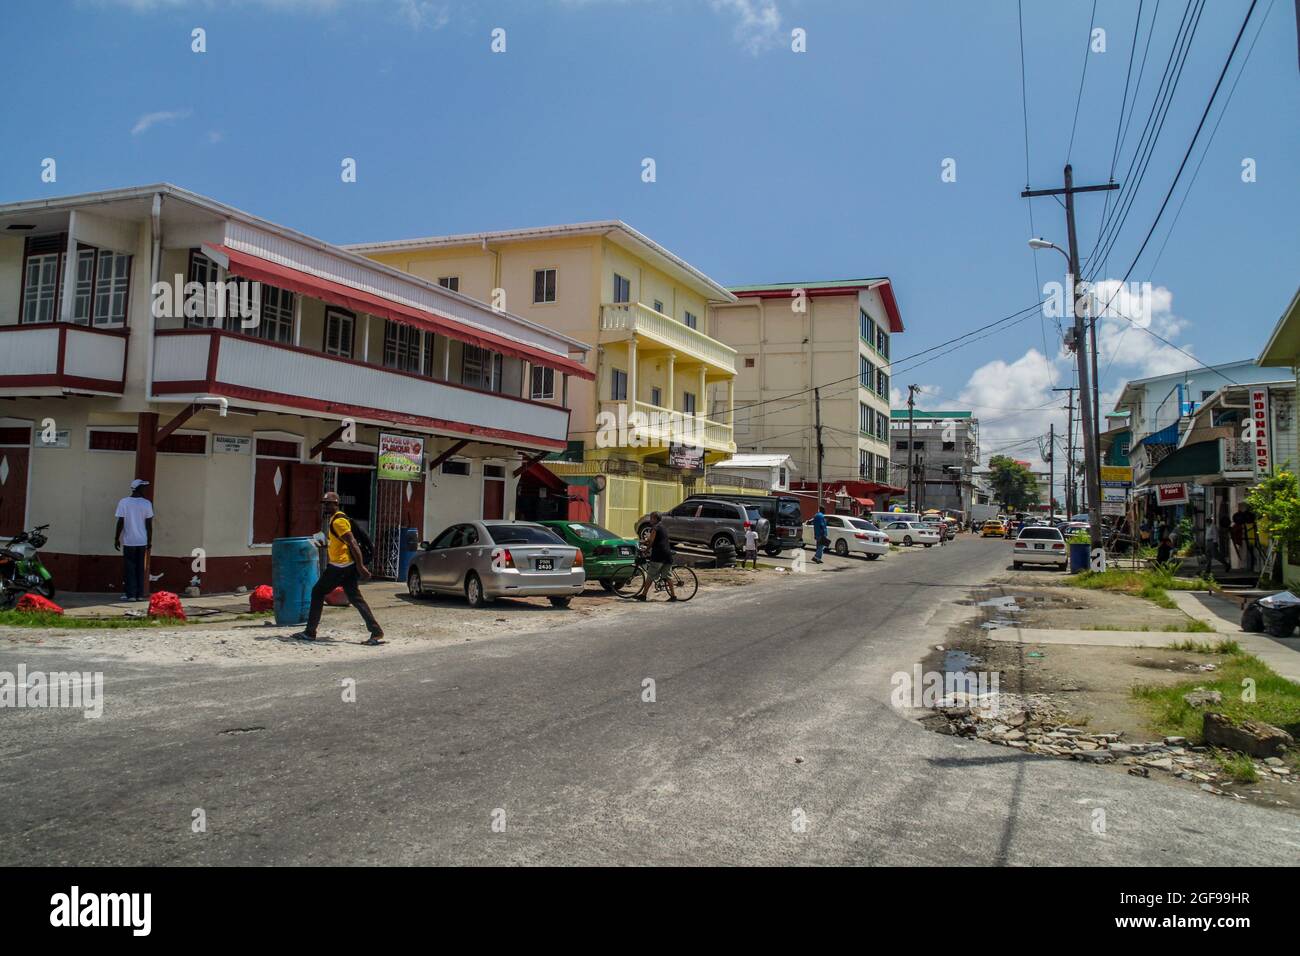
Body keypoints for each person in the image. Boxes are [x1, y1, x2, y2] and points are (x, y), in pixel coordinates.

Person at [294, 491, 384, 645]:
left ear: (336, 504)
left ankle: (310, 632)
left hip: (339, 566)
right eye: (324, 504)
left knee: (318, 592)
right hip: (345, 565)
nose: (326, 506)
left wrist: (361, 566)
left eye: (329, 503)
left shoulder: (338, 522)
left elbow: (353, 543)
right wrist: (326, 546)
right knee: (356, 599)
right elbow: (340, 543)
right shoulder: (337, 519)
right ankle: (376, 632)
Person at [114, 478, 154, 602]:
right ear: (137, 488)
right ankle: (139, 594)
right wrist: (149, 541)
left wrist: (116, 538)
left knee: (130, 568)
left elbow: (120, 521)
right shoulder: (146, 504)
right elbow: (149, 524)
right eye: (143, 488)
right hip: (141, 541)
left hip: (129, 541)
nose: (145, 490)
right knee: (139, 568)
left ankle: (130, 594)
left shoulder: (124, 502)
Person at [635, 511, 677, 601]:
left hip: (658, 556)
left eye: (651, 518)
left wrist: (646, 550)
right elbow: (656, 540)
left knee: (650, 576)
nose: (650, 520)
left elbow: (651, 542)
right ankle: (673, 596)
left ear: (655, 519)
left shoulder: (655, 528)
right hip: (667, 555)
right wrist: (645, 541)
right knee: (668, 577)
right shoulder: (663, 527)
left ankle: (643, 595)